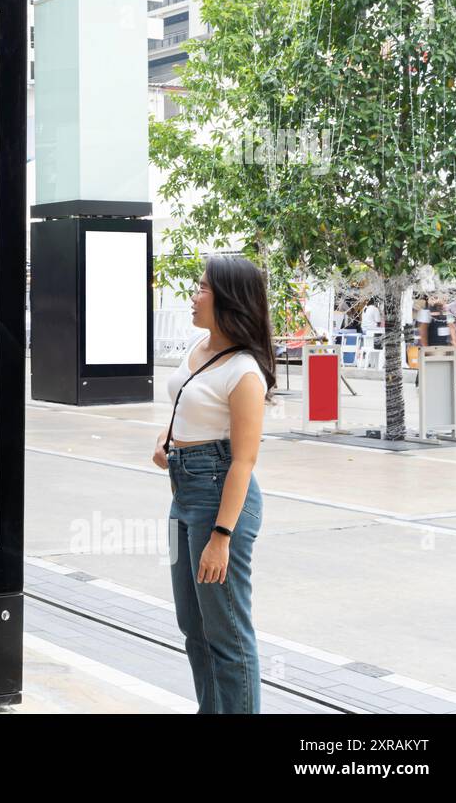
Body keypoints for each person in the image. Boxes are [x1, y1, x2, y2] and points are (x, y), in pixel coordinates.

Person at [153, 255, 275, 714]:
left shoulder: (244, 370)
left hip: (219, 499)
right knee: (194, 627)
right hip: (183, 492)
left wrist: (221, 538)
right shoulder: (197, 347)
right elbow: (188, 403)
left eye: (202, 288)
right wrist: (169, 440)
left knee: (227, 633)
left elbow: (243, 460)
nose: (193, 294)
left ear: (227, 298)